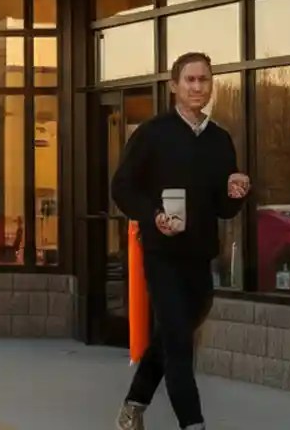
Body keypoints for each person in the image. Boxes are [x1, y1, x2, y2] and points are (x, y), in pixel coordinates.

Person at [111, 51, 250, 430]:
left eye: (203, 80)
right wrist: (153, 215)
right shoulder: (153, 134)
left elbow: (223, 209)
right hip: (162, 256)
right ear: (174, 86)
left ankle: (133, 406)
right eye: (189, 80)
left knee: (171, 337)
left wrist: (236, 193)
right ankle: (193, 424)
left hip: (200, 259)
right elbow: (122, 188)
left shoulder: (220, 140)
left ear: (211, 86)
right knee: (179, 347)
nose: (197, 87)